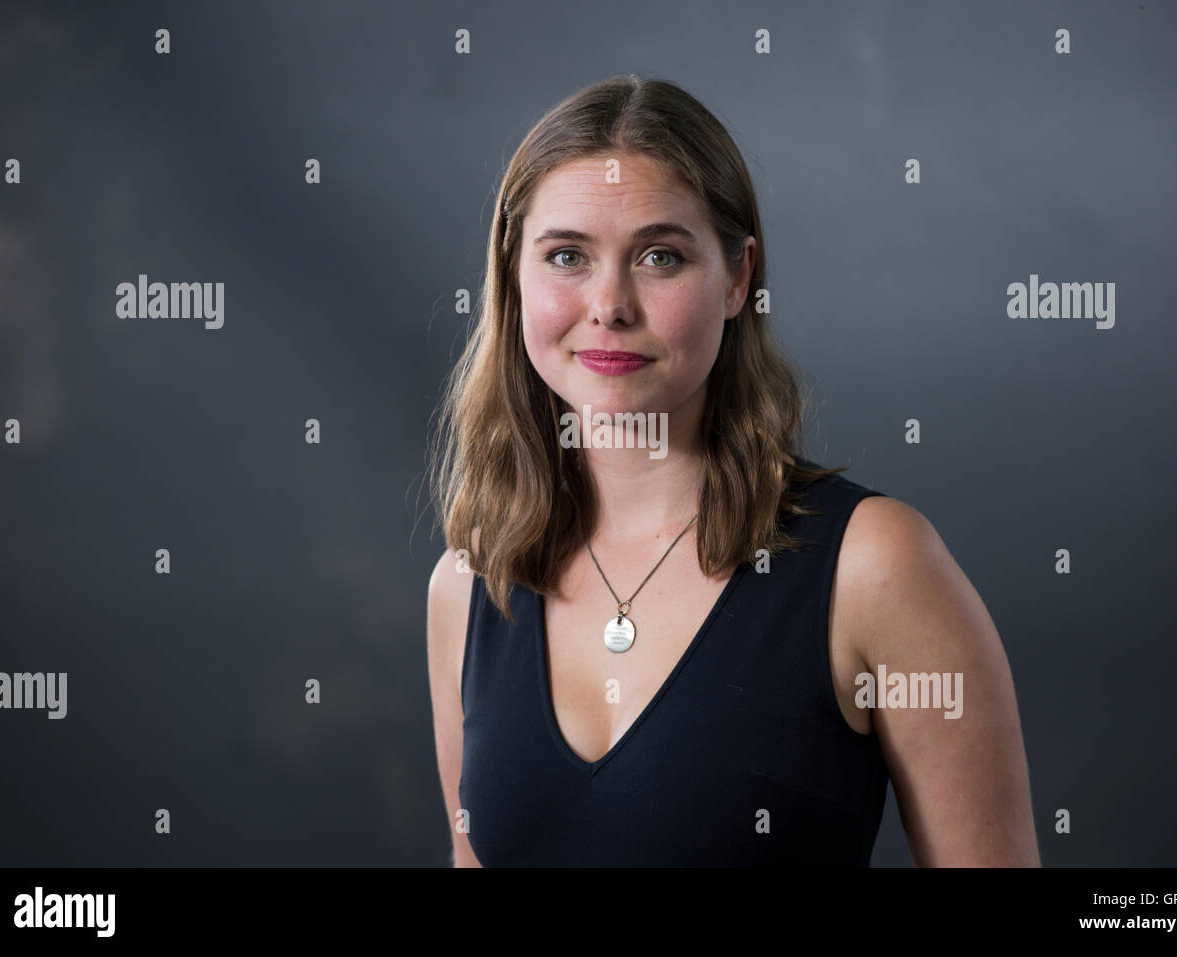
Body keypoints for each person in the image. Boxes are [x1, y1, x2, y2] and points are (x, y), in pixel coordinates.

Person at [426, 74, 1039, 866]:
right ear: (514, 277)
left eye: (659, 256)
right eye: (568, 255)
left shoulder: (875, 565)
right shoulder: (468, 584)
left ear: (738, 278)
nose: (610, 304)